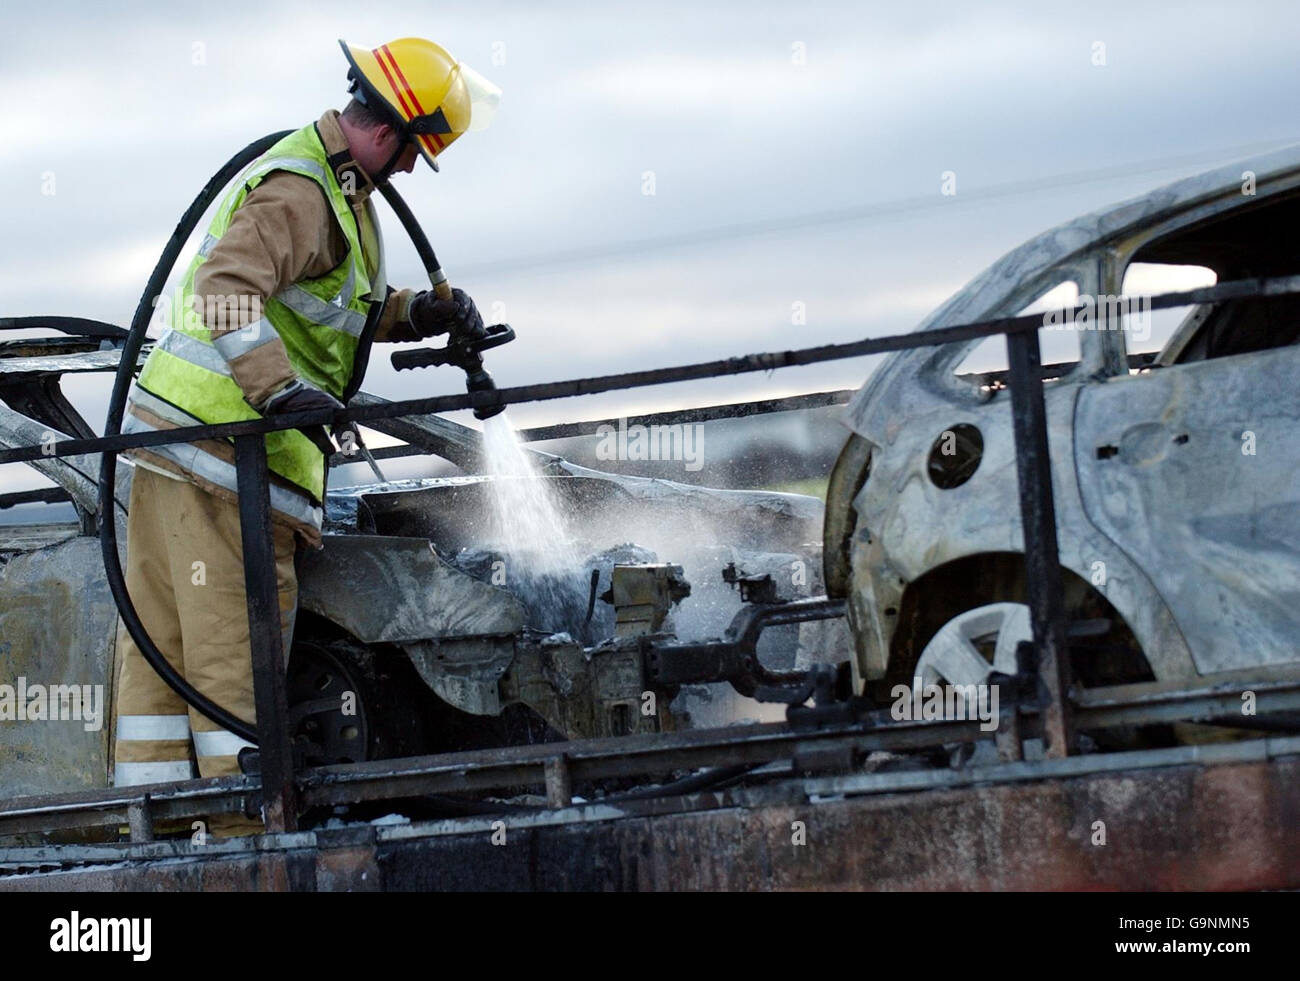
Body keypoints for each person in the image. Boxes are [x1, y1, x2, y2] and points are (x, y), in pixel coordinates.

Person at [111, 37, 500, 833]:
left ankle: (143, 830)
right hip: (228, 457)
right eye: (416, 154)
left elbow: (330, 306)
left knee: (164, 656)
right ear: (389, 131)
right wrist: (277, 391)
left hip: (178, 445)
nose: (411, 173)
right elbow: (225, 290)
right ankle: (239, 839)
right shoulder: (306, 192)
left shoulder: (334, 190)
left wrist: (416, 313)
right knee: (232, 660)